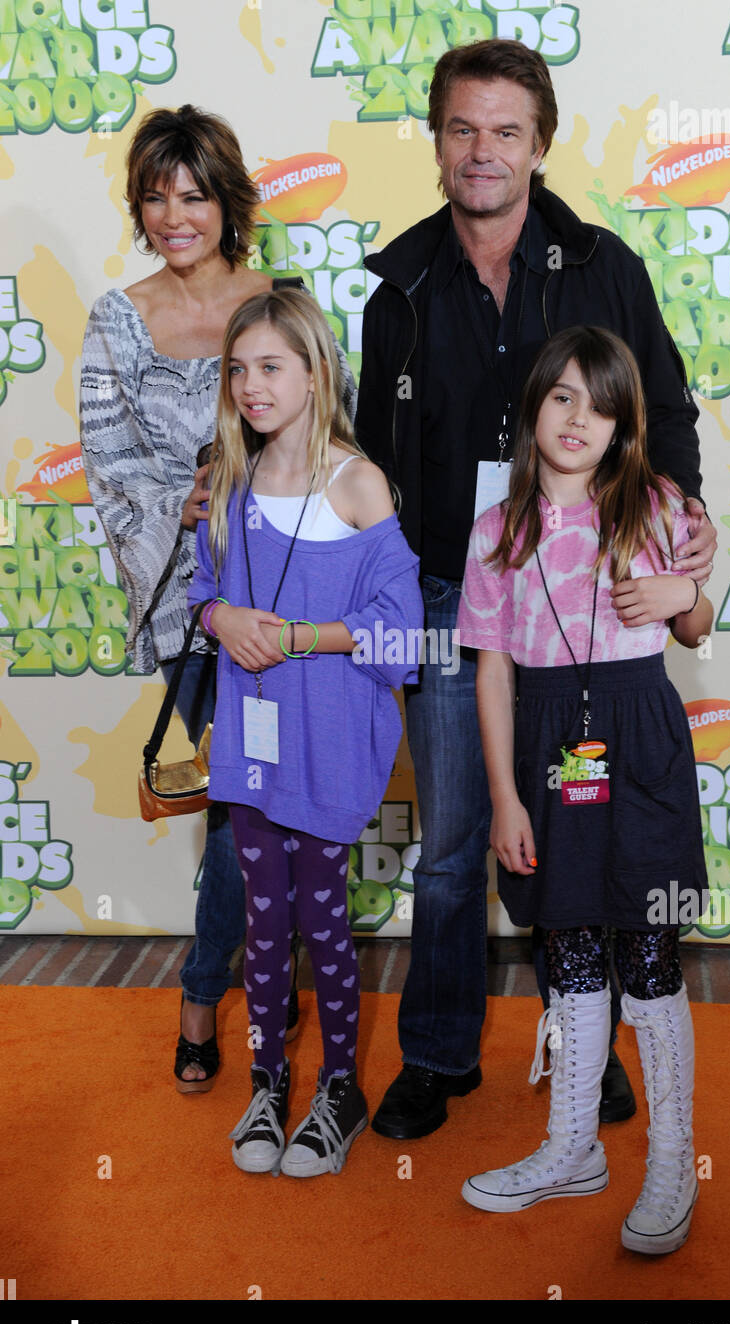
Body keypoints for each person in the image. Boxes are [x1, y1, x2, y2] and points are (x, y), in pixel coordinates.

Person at [355, 38, 717, 1141]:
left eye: (505, 131)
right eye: (462, 128)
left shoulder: (603, 264)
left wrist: (673, 547)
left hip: (592, 601)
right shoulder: (399, 286)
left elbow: (666, 414)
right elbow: (369, 461)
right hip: (451, 600)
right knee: (460, 835)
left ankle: (584, 1042)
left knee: (585, 835)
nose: (482, 151)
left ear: (540, 144)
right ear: (435, 141)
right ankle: (438, 1052)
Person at [80, 106, 357, 1093]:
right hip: (191, 611)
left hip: (288, 602)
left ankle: (241, 989)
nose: (173, 214)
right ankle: (212, 992)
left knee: (257, 810)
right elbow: (108, 467)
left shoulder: (279, 303)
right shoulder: (119, 316)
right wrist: (184, 501)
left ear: (227, 199)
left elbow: (335, 433)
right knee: (243, 808)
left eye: (191, 192)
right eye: (155, 194)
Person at [456, 324, 711, 1255]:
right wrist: (505, 799)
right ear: (533, 405)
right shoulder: (498, 527)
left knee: (646, 952)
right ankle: (572, 1149)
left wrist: (681, 601)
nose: (578, 418)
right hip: (547, 747)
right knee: (564, 941)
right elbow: (489, 673)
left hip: (641, 741)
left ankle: (673, 1157)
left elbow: (700, 622)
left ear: (624, 424)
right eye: (562, 396)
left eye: (600, 404)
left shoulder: (659, 505)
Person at [187, 288, 423, 1175]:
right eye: (238, 369)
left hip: (326, 747)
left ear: (317, 371)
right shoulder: (229, 484)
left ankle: (339, 1090)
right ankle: (266, 1080)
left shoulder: (357, 484)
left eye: (271, 366)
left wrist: (294, 636)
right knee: (263, 917)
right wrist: (224, 621)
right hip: (251, 750)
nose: (252, 385)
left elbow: (400, 631)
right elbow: (195, 600)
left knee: (324, 926)